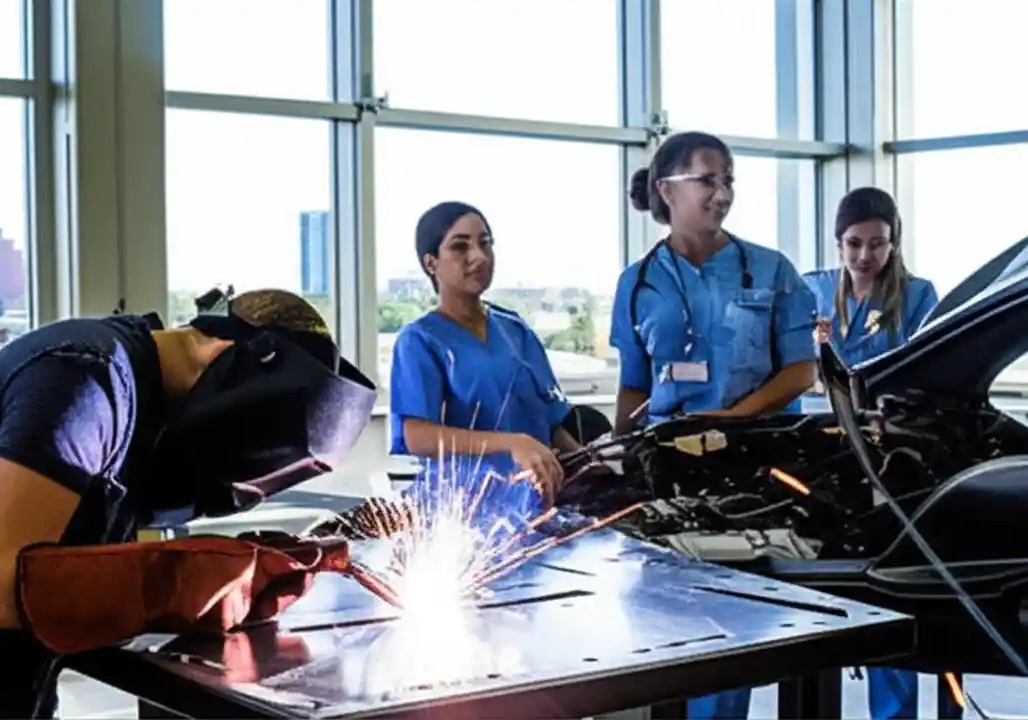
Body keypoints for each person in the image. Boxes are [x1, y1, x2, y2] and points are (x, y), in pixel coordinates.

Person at [0, 288, 377, 719]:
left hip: (2, 691)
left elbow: (79, 564)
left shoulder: (144, 411)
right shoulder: (86, 377)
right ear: (228, 359)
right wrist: (184, 582)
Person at [609, 131, 818, 719]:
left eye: (728, 180)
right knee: (672, 623)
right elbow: (635, 384)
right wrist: (616, 453)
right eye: (708, 180)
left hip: (754, 468)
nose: (721, 193)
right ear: (666, 190)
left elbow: (801, 371)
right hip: (671, 472)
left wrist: (732, 418)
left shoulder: (771, 271)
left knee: (738, 622)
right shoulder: (638, 283)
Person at [804, 187, 955, 720]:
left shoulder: (916, 296)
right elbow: (797, 364)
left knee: (893, 595)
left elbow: (928, 373)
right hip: (818, 459)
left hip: (890, 459)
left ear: (895, 243)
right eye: (853, 244)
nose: (864, 256)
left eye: (877, 244)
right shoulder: (812, 292)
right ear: (837, 242)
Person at [389, 201, 582, 517]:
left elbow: (548, 419)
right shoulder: (420, 340)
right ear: (431, 263)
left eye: (485, 243)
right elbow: (417, 437)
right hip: (464, 513)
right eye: (460, 246)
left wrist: (592, 464)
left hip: (537, 505)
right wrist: (510, 443)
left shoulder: (515, 330)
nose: (478, 256)